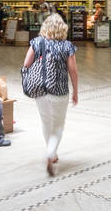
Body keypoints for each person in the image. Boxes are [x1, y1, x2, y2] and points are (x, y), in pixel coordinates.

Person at [23, 13, 78, 175]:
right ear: (63, 29)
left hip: (39, 89)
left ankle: (51, 153)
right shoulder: (67, 46)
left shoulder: (36, 42)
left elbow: (26, 64)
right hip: (59, 90)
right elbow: (73, 72)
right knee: (58, 124)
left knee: (46, 122)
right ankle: (51, 153)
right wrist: (75, 91)